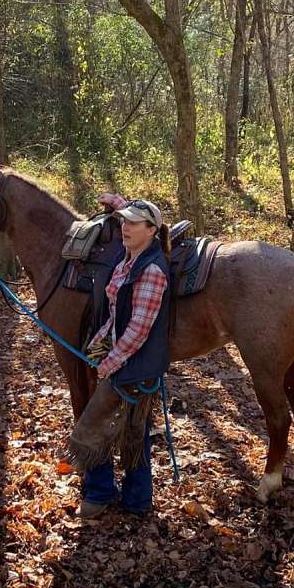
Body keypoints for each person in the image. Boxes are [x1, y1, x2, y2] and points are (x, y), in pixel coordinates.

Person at [72, 193, 171, 519]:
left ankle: (100, 493)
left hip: (134, 367)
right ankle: (138, 501)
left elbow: (138, 332)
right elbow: (117, 318)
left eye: (133, 224)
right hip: (126, 360)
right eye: (123, 221)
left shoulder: (151, 271)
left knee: (93, 425)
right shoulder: (130, 259)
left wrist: (108, 364)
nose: (125, 228)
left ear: (151, 231)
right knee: (134, 433)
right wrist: (97, 346)